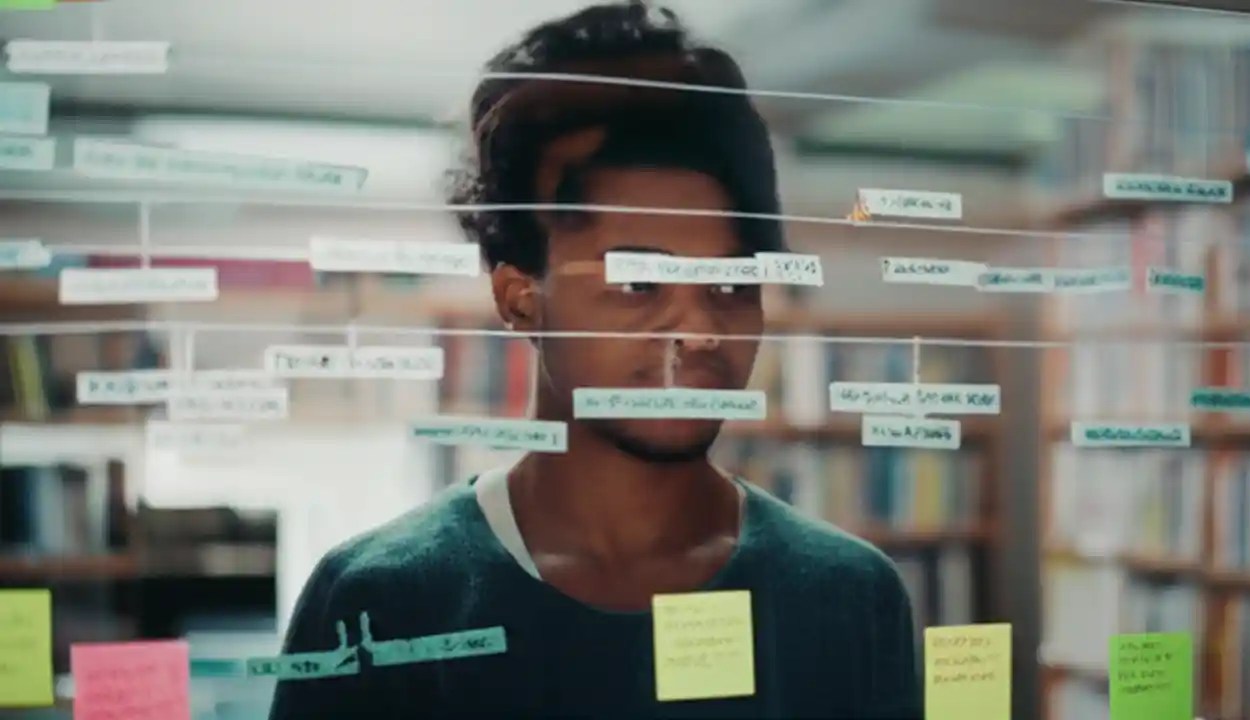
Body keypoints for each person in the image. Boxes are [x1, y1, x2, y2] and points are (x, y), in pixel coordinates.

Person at [269, 2, 921, 718]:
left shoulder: (848, 595)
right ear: (520, 298)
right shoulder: (383, 601)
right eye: (640, 281)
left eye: (733, 281)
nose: (700, 328)